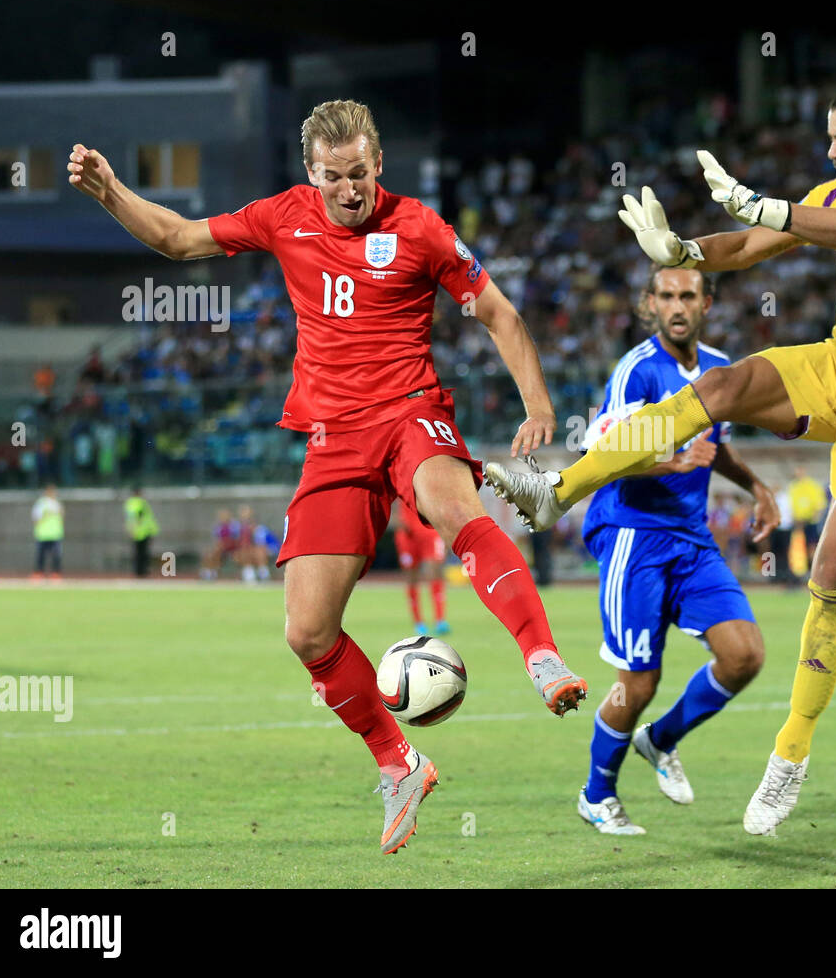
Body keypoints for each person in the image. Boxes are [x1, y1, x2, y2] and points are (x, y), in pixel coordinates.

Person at [69, 98, 587, 855]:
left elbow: (500, 315)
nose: (351, 190)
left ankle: (541, 653)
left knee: (450, 506)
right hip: (331, 440)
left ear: (380, 165)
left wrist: (538, 405)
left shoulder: (420, 228)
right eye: (334, 177)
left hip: (410, 410)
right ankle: (398, 761)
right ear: (311, 175)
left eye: (361, 174)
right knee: (307, 630)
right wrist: (112, 192)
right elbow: (179, 239)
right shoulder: (284, 216)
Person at [488, 75, 836, 834]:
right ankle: (557, 488)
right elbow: (747, 244)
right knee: (724, 382)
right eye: (829, 138)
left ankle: (790, 752)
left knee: (834, 564)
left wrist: (768, 205)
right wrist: (685, 249)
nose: (832, 150)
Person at [575, 265, 778, 835]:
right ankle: (597, 795)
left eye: (688, 295)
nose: (677, 305)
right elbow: (604, 450)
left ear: (707, 303)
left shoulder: (719, 370)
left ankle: (660, 740)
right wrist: (670, 459)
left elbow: (718, 447)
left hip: (691, 538)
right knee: (637, 682)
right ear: (650, 304)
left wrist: (758, 487)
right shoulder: (636, 371)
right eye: (666, 296)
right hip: (632, 533)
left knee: (744, 656)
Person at [393, 499, 449, 635]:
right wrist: (396, 517)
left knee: (435, 572)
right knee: (411, 578)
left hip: (430, 531)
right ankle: (419, 622)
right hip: (407, 533)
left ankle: (440, 620)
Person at [787, 465, 826, 569]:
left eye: (801, 470)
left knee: (812, 547)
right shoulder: (793, 487)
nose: (799, 473)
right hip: (797, 523)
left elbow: (819, 505)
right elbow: (791, 505)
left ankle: (813, 569)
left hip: (810, 522)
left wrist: (810, 517)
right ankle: (799, 570)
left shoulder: (812, 486)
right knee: (798, 548)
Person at [124, 486, 159, 578]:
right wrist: (133, 529)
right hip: (141, 532)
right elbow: (136, 517)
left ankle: (141, 572)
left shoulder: (134, 502)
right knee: (141, 553)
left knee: (141, 553)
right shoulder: (138, 503)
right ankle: (140, 572)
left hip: (142, 531)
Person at [31, 484, 64, 581]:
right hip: (43, 535)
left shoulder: (57, 504)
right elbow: (36, 518)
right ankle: (38, 573)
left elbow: (61, 516)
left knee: (56, 556)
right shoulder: (41, 504)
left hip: (55, 534)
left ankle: (56, 573)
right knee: (40, 556)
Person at [200, 509, 240, 580]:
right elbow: (216, 540)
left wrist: (227, 543)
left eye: (225, 515)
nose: (223, 517)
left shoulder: (235, 525)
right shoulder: (218, 527)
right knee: (209, 553)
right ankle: (210, 572)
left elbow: (238, 539)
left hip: (234, 548)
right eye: (221, 516)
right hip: (221, 549)